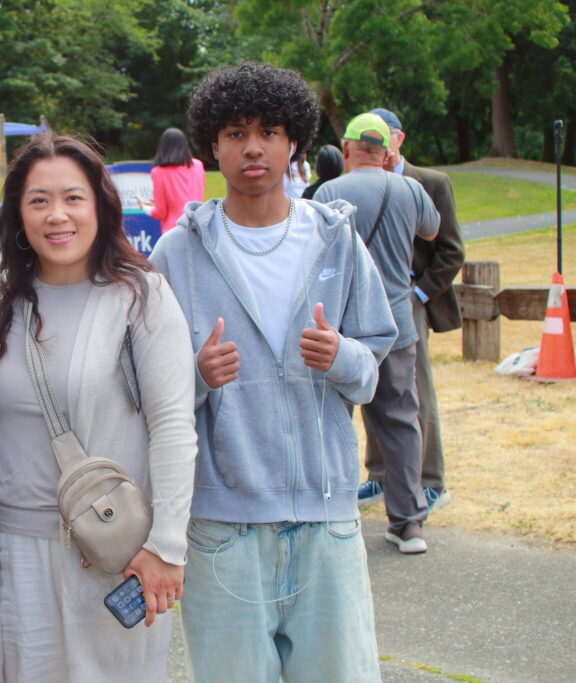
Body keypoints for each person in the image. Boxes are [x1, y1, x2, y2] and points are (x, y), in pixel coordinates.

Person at [150, 61, 397, 681]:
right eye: (235, 133)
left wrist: (341, 355)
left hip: (328, 517)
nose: (253, 148)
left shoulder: (336, 239)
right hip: (221, 527)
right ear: (213, 145)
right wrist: (197, 375)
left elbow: (373, 365)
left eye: (268, 132)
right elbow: (144, 386)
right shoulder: (178, 252)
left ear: (294, 143)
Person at [0, 135, 197, 682]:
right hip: (13, 554)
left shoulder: (140, 296)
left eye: (73, 198)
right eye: (38, 200)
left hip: (111, 554)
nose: (57, 215)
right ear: (18, 214)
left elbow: (174, 426)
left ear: (100, 206)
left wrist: (167, 546)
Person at [315, 112, 440, 554]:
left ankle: (329, 517)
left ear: (347, 148)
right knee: (401, 420)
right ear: (387, 153)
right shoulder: (409, 188)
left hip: (343, 328)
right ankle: (408, 524)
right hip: (397, 324)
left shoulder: (329, 192)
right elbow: (431, 230)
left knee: (331, 421)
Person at [360, 107, 465, 513]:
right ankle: (380, 474)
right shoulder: (359, 183)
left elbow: (451, 251)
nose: (374, 144)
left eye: (381, 135)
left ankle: (431, 480)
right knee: (371, 385)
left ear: (398, 138)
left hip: (410, 299)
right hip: (370, 300)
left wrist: (419, 295)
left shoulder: (432, 183)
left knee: (415, 390)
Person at [137, 127, 205, 233]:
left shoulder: (159, 172)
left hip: (173, 231)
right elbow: (190, 196)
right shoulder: (198, 166)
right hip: (197, 228)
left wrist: (144, 207)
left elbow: (160, 212)